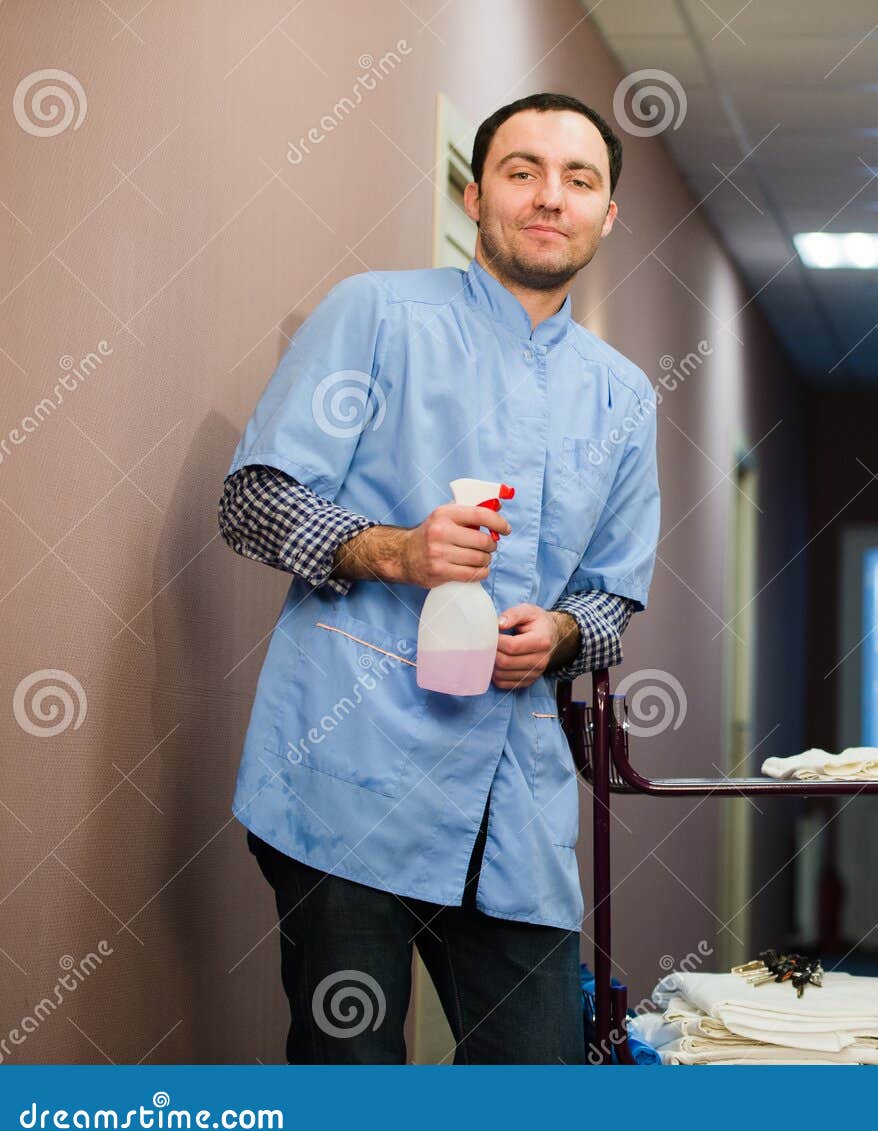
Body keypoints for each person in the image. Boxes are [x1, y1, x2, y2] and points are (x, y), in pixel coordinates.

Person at [218, 93, 660, 1064]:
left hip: (516, 800)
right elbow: (251, 500)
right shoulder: (375, 312)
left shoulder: (622, 395)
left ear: (606, 214)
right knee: (353, 1078)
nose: (551, 197)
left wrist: (562, 635)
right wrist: (392, 551)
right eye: (521, 171)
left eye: (578, 179)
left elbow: (613, 598)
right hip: (348, 772)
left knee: (536, 1078)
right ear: (474, 194)